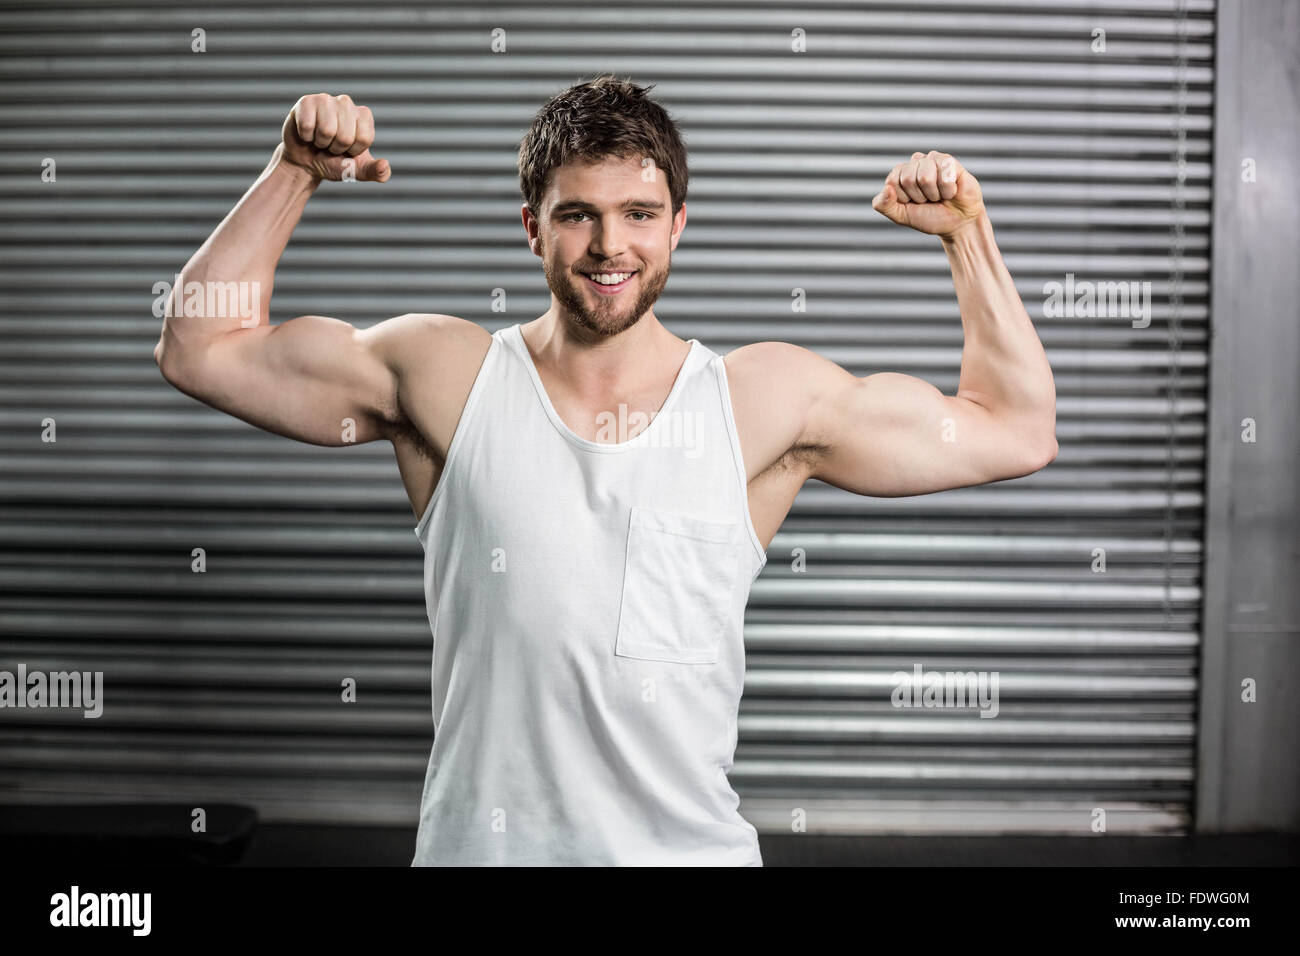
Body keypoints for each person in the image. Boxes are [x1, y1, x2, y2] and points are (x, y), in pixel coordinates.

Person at [153, 75, 1057, 866]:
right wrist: (294, 171)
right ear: (531, 228)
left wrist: (965, 239)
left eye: (639, 215)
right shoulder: (445, 375)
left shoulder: (763, 400)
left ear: (679, 226)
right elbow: (200, 349)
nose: (608, 246)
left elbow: (1014, 430)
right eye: (577, 214)